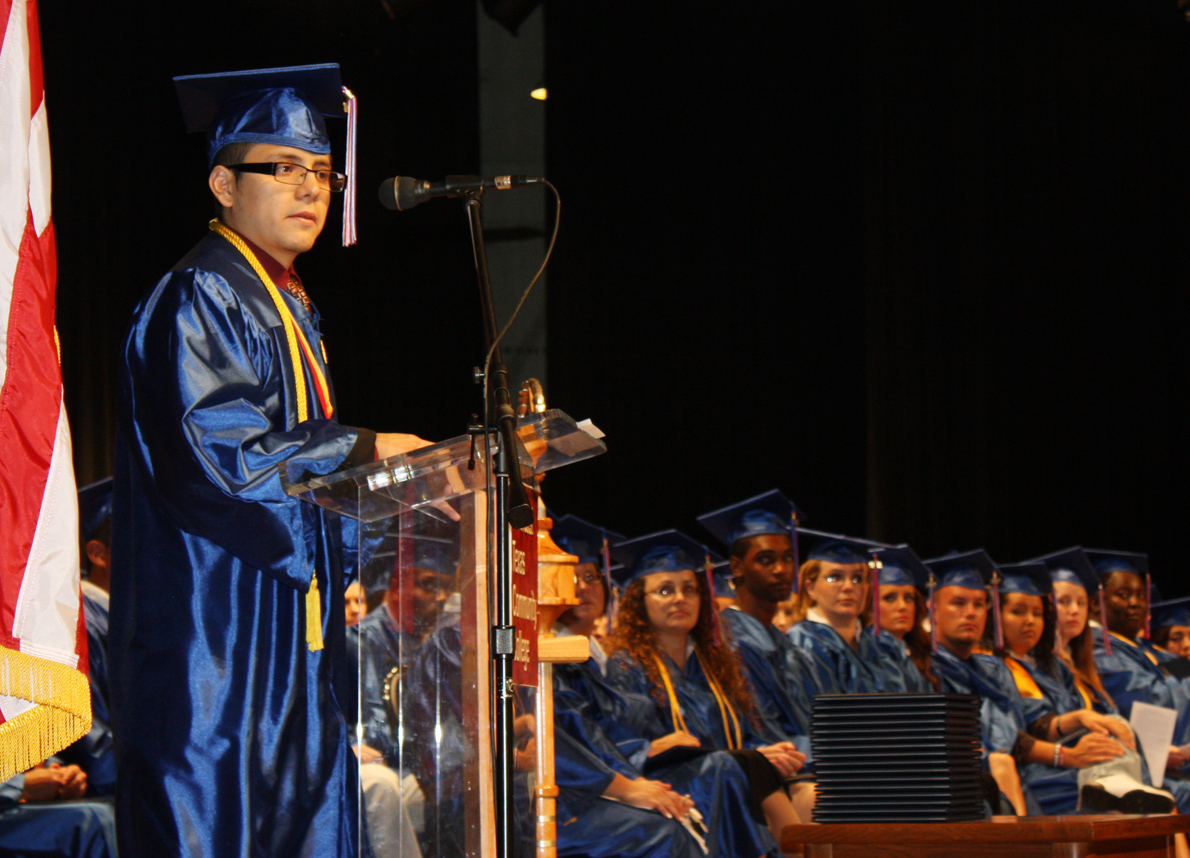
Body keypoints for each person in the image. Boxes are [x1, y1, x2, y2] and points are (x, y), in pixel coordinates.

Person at [110, 64, 443, 858]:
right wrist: (364, 450)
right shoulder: (200, 294)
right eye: (283, 168)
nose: (311, 189)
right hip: (213, 638)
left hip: (284, 632)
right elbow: (214, 457)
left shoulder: (282, 299)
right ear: (224, 182)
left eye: (323, 173)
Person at [549, 514, 760, 858]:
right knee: (715, 774)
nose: (582, 587)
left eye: (590, 576)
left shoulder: (603, 661)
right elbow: (579, 739)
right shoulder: (566, 662)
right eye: (569, 578)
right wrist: (646, 754)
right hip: (597, 785)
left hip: (627, 773)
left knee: (729, 770)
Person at [604, 530, 808, 854]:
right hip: (671, 781)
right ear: (640, 602)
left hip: (730, 772)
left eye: (689, 589)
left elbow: (745, 732)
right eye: (665, 590)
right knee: (734, 769)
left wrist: (769, 753)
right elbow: (625, 745)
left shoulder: (717, 662)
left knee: (774, 774)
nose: (679, 598)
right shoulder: (626, 666)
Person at [992, 561, 1168, 815]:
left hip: (1076, 762)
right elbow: (1022, 731)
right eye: (1063, 602)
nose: (1030, 621)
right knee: (1133, 808)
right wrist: (1072, 742)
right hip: (1044, 769)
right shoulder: (996, 667)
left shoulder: (1057, 667)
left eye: (1038, 613)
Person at [696, 490, 818, 756]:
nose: (781, 569)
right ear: (737, 567)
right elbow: (761, 734)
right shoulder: (730, 642)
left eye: (787, 558)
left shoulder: (783, 642)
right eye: (766, 559)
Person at [786, 529, 891, 694]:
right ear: (810, 588)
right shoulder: (801, 642)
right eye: (834, 577)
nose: (848, 586)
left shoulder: (879, 645)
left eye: (857, 578)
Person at [866, 544, 936, 692]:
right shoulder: (865, 656)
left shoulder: (925, 655)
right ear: (869, 605)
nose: (902, 606)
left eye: (909, 598)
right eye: (889, 598)